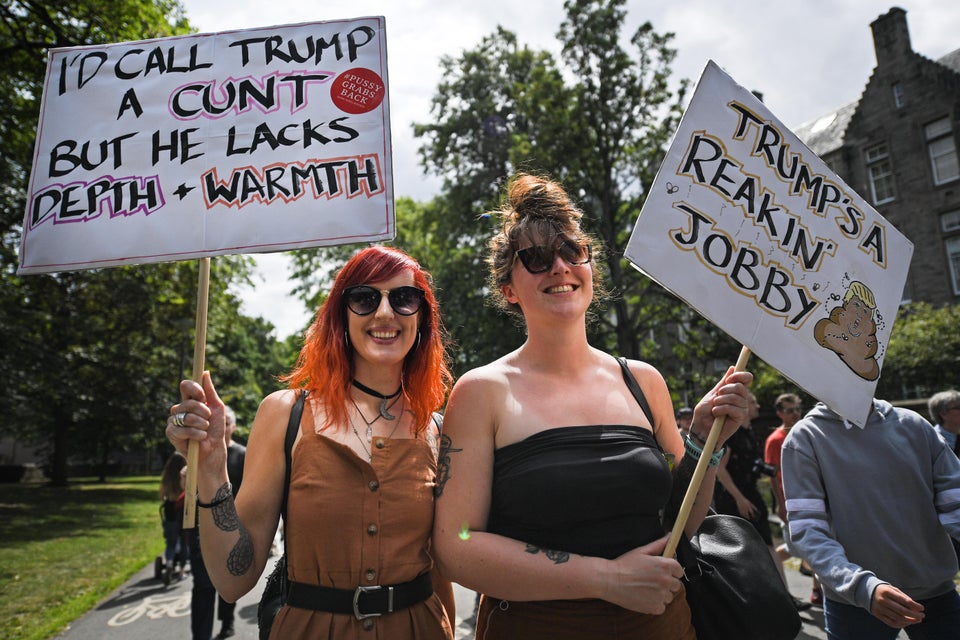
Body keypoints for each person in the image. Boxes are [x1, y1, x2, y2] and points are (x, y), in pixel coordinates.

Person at [431, 173, 753, 639]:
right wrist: (605, 580)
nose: (558, 266)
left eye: (571, 251)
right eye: (537, 258)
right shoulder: (482, 391)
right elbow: (455, 546)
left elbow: (684, 521)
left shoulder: (643, 381)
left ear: (589, 267)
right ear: (508, 289)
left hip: (661, 626)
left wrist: (704, 440)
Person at [166, 245, 455, 639]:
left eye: (404, 298)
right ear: (341, 315)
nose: (385, 313)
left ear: (422, 316)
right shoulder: (286, 415)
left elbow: (438, 573)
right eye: (364, 298)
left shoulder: (438, 428)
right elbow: (234, 581)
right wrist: (212, 468)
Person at [781, 398, 960, 639]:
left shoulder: (914, 424)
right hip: (853, 602)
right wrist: (861, 587)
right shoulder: (804, 438)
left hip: (936, 592)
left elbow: (955, 500)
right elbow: (808, 530)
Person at [713, 391, 808, 610]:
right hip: (737, 498)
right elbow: (720, 470)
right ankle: (766, 600)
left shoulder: (748, 432)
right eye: (754, 402)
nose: (757, 406)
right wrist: (740, 499)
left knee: (766, 545)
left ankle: (782, 597)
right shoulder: (733, 433)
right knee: (745, 550)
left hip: (750, 494)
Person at [187, 405, 246, 639]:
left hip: (233, 527)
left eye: (227, 424)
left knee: (227, 584)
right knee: (202, 586)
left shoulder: (242, 454)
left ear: (232, 426)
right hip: (200, 528)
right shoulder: (198, 452)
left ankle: (227, 620)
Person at [765, 392, 821, 605]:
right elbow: (772, 475)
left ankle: (817, 589)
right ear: (780, 413)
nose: (796, 414)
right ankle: (767, 566)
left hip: (811, 496)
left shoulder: (807, 432)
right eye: (790, 410)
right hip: (790, 500)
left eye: (798, 409)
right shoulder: (775, 439)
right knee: (795, 548)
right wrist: (780, 504)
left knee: (816, 541)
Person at [158, 451, 188, 586]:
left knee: (170, 543)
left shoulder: (166, 477)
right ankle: (182, 570)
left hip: (169, 512)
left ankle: (169, 562)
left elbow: (161, 495)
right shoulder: (185, 475)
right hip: (183, 511)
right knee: (183, 543)